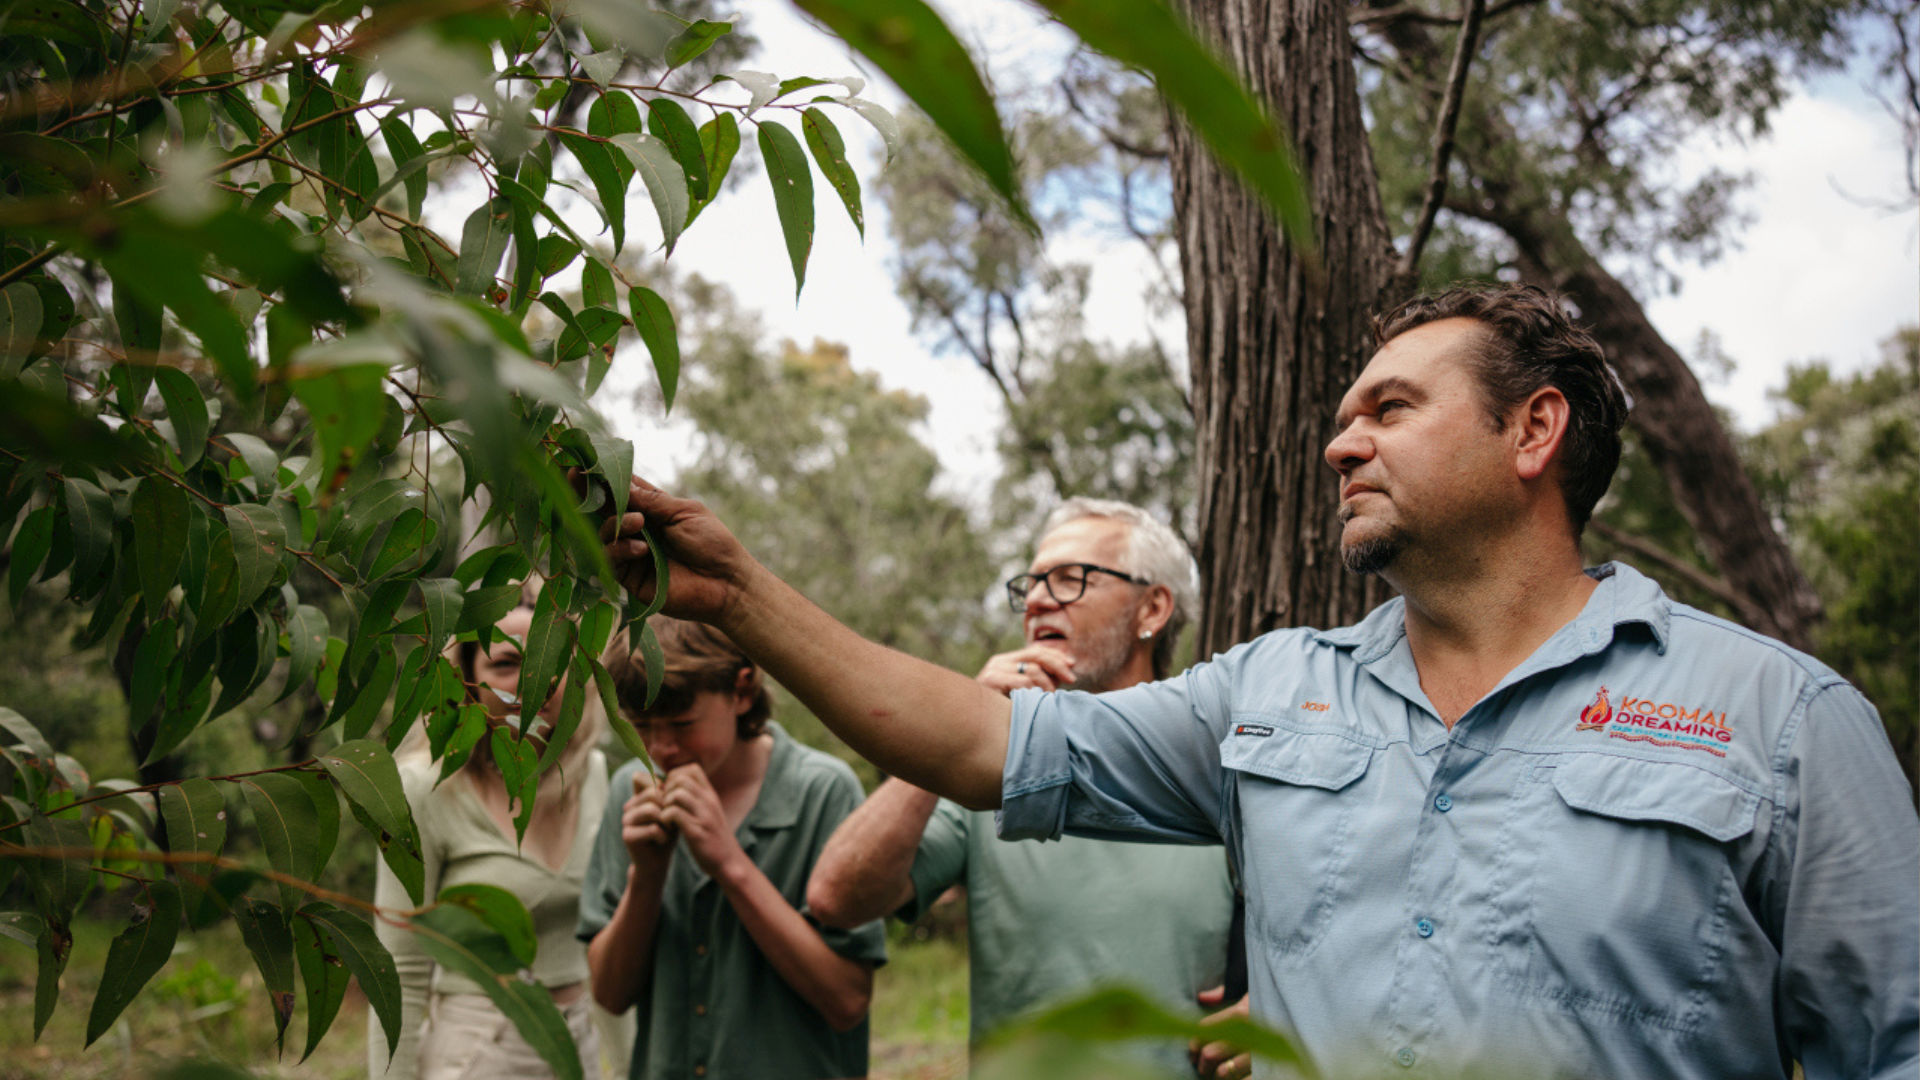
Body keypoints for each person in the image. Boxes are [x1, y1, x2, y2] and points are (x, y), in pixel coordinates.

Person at [594, 283, 1919, 1079]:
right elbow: (989, 747)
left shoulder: (1782, 725)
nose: (1342, 442)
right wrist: (743, 598)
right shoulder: (1269, 696)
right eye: (1343, 416)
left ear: (1534, 430)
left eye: (1390, 409)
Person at [805, 498, 1236, 1075]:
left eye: (1068, 580)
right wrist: (957, 734)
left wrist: (1277, 1009)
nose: (1035, 600)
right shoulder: (990, 775)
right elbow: (838, 898)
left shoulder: (1219, 758)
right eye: (1031, 584)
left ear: (1151, 608)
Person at [577, 616, 887, 1080]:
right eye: (641, 726)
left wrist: (727, 862)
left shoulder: (822, 792)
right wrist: (647, 876)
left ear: (741, 692)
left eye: (681, 724)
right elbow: (611, 994)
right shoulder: (631, 790)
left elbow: (847, 1001)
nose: (660, 748)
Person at [372, 599, 610, 1080]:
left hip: (578, 1047)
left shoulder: (593, 774)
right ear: (465, 681)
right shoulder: (423, 787)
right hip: (477, 1055)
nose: (533, 681)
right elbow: (399, 969)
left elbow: (608, 947)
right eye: (505, 664)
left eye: (553, 659)